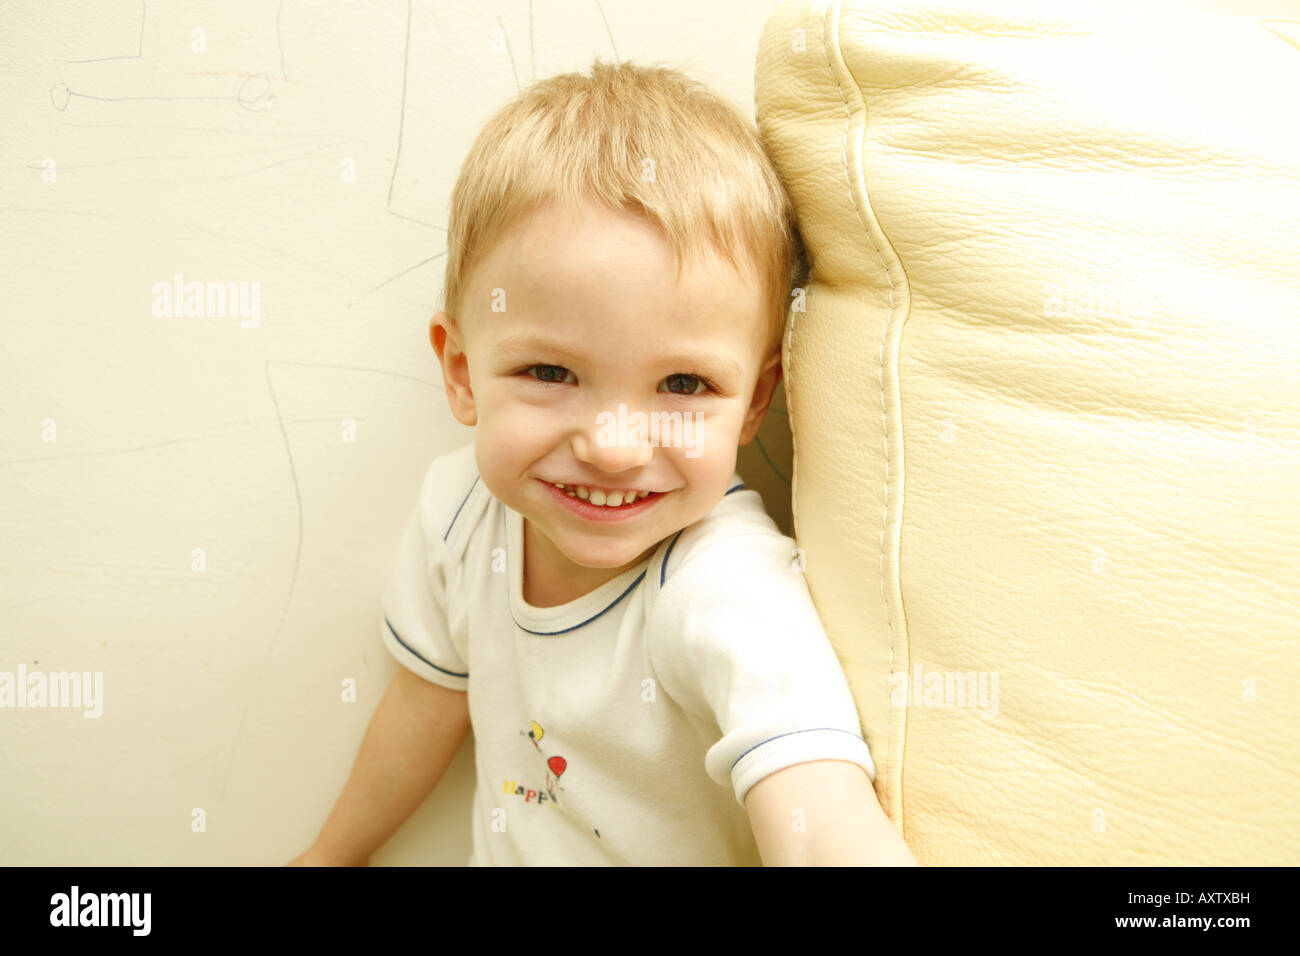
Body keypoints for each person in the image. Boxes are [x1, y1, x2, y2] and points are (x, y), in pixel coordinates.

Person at [290, 59, 917, 866]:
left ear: (755, 403)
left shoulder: (722, 586)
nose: (614, 447)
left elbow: (821, 813)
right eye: (550, 373)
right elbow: (427, 702)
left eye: (683, 384)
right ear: (460, 372)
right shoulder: (457, 512)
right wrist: (328, 857)